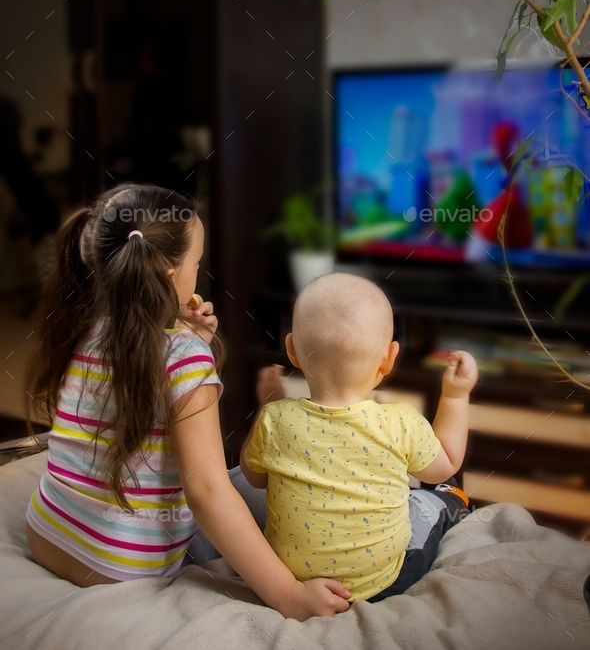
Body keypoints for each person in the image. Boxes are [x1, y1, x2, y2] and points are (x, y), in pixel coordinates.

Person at [24, 184, 351, 620]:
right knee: (248, 488)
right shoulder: (183, 356)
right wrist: (289, 595)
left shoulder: (89, 327)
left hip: (46, 535)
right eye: (196, 262)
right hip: (123, 566)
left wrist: (182, 336)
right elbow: (207, 492)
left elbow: (140, 384)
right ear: (167, 272)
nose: (198, 273)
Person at [241, 272, 478, 603]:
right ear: (389, 358)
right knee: (426, 500)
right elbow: (447, 462)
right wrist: (455, 395)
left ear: (292, 349)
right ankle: (452, 501)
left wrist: (268, 404)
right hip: (385, 582)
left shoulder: (275, 420)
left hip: (294, 579)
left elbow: (254, 477)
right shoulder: (401, 421)